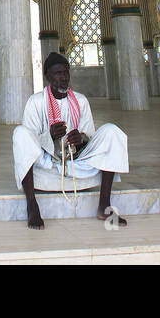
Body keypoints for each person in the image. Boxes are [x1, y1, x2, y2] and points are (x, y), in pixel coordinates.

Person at [12, 52, 129, 229]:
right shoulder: (36, 102)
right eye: (58, 73)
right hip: (47, 162)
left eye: (66, 72)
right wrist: (48, 136)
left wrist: (81, 139)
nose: (63, 77)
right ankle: (32, 206)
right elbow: (29, 141)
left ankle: (104, 205)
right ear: (48, 77)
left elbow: (91, 136)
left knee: (111, 132)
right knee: (19, 134)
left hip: (77, 160)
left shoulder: (80, 100)